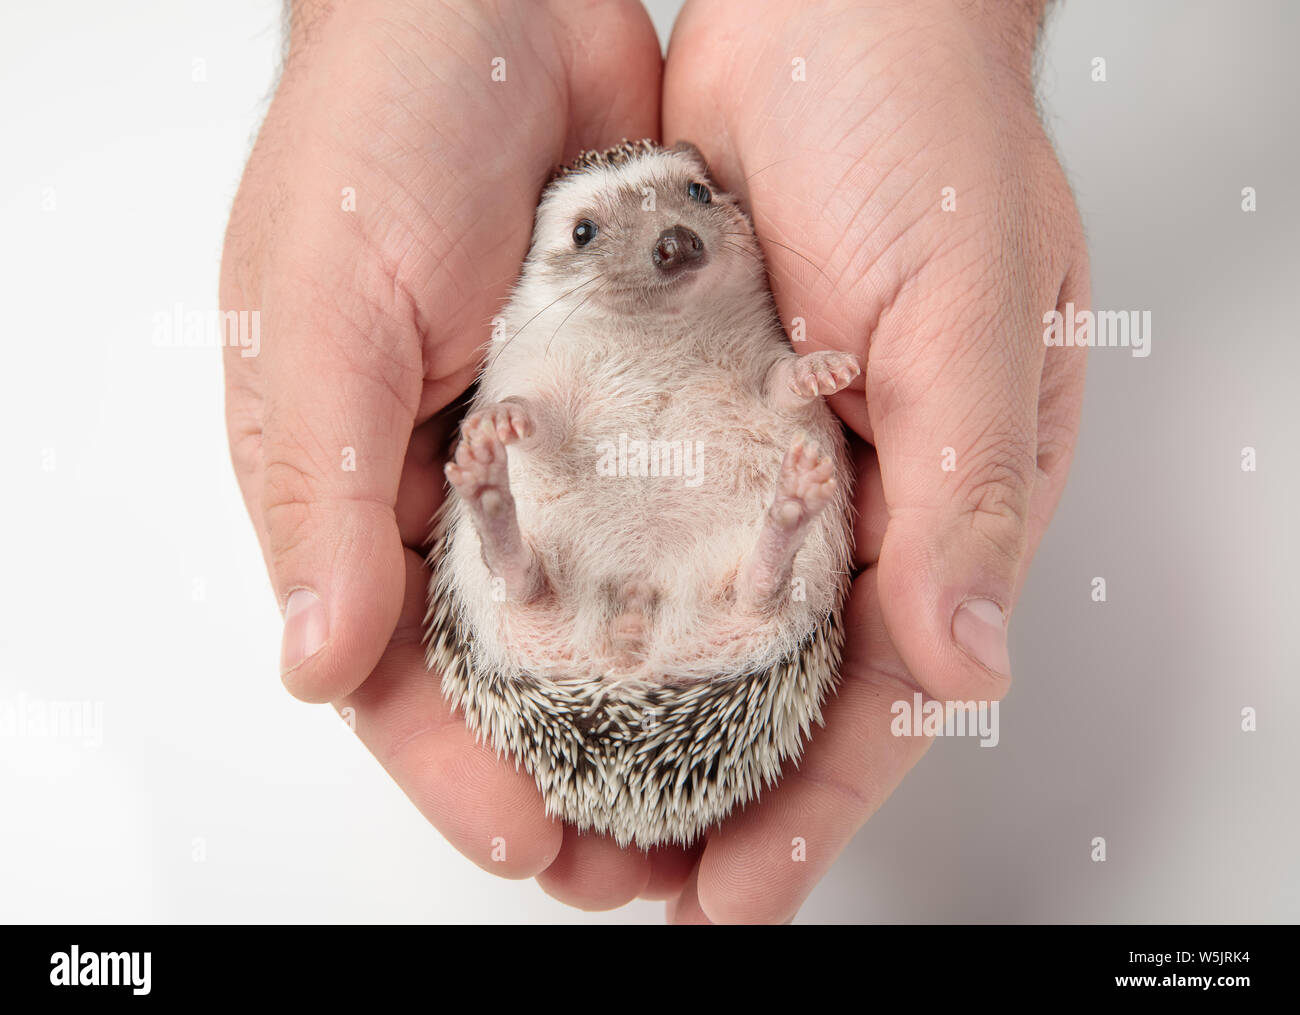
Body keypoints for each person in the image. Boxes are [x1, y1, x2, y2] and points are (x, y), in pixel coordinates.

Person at [219, 0, 1088, 923]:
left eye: (694, 197)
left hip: (650, 621)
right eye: (592, 233)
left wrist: (792, 379)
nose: (669, 235)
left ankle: (558, 538)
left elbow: (761, 382)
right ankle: (735, 552)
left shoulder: (730, 309)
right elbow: (655, 397)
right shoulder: (539, 344)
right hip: (667, 614)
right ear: (545, 265)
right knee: (619, 479)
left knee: (576, 513)